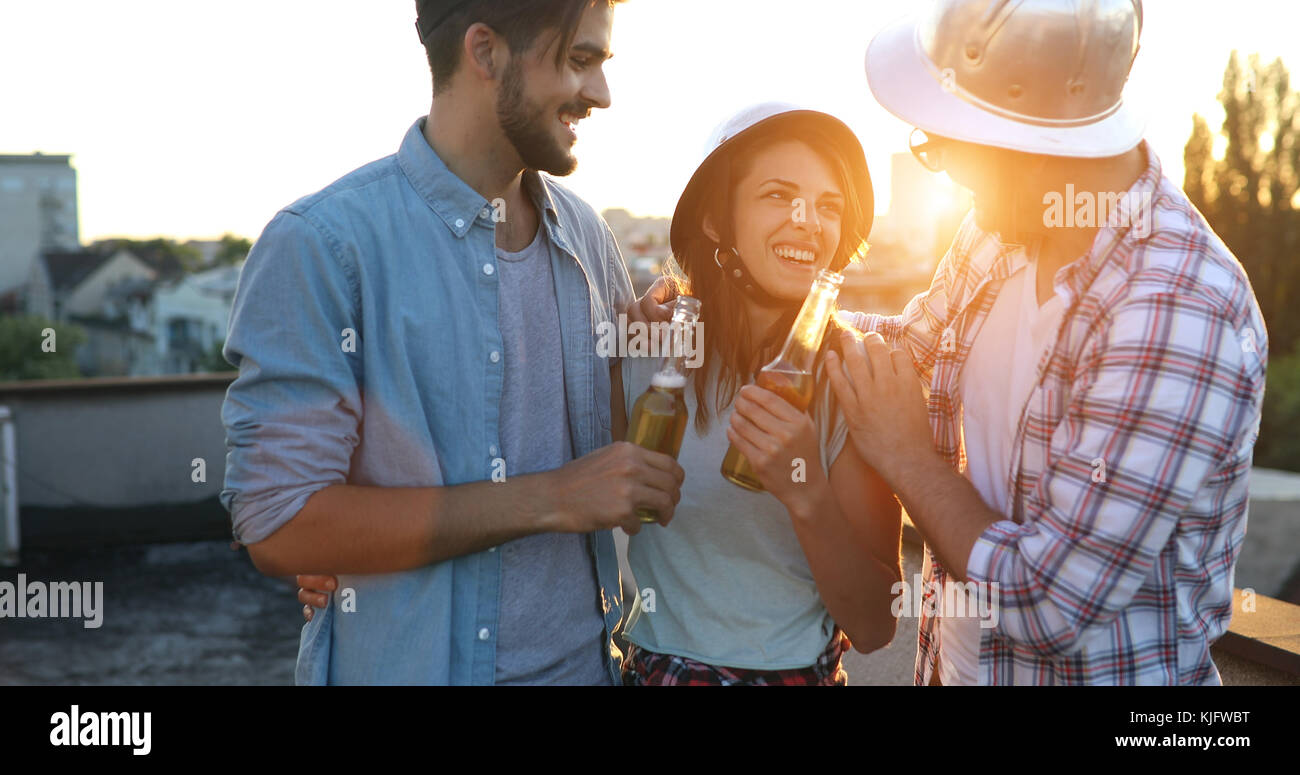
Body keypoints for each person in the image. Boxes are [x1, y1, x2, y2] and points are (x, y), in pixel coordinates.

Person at [221, 0, 684, 686]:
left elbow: (608, 469)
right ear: (485, 51)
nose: (601, 95)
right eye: (579, 61)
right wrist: (549, 497)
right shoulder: (323, 245)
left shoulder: (589, 238)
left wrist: (652, 360)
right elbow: (280, 524)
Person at [827, 0, 1268, 685]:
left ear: (1034, 145)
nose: (941, 166)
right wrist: (725, 309)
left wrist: (907, 459)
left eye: (950, 142)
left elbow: (1049, 603)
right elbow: (902, 348)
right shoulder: (996, 229)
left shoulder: (1176, 305)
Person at [617, 103, 903, 685]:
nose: (808, 221)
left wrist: (804, 488)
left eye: (829, 205)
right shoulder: (644, 349)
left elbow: (876, 625)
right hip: (654, 670)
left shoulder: (848, 380)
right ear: (717, 222)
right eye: (778, 194)